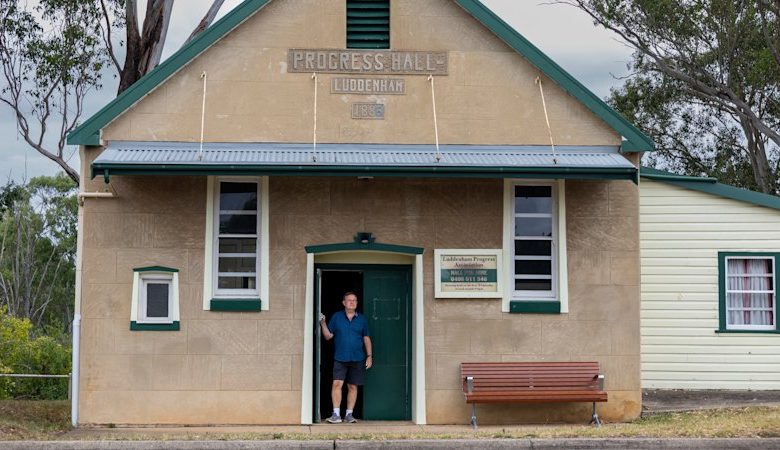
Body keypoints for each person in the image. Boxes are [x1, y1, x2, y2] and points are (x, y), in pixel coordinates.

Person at [319, 292, 372, 424]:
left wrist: (369, 356)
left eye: (354, 300)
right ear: (344, 303)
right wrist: (323, 323)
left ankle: (349, 415)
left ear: (357, 303)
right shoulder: (337, 317)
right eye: (349, 300)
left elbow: (366, 338)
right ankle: (336, 414)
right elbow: (328, 336)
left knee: (353, 386)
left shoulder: (362, 319)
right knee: (337, 384)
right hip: (340, 357)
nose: (352, 302)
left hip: (357, 358)